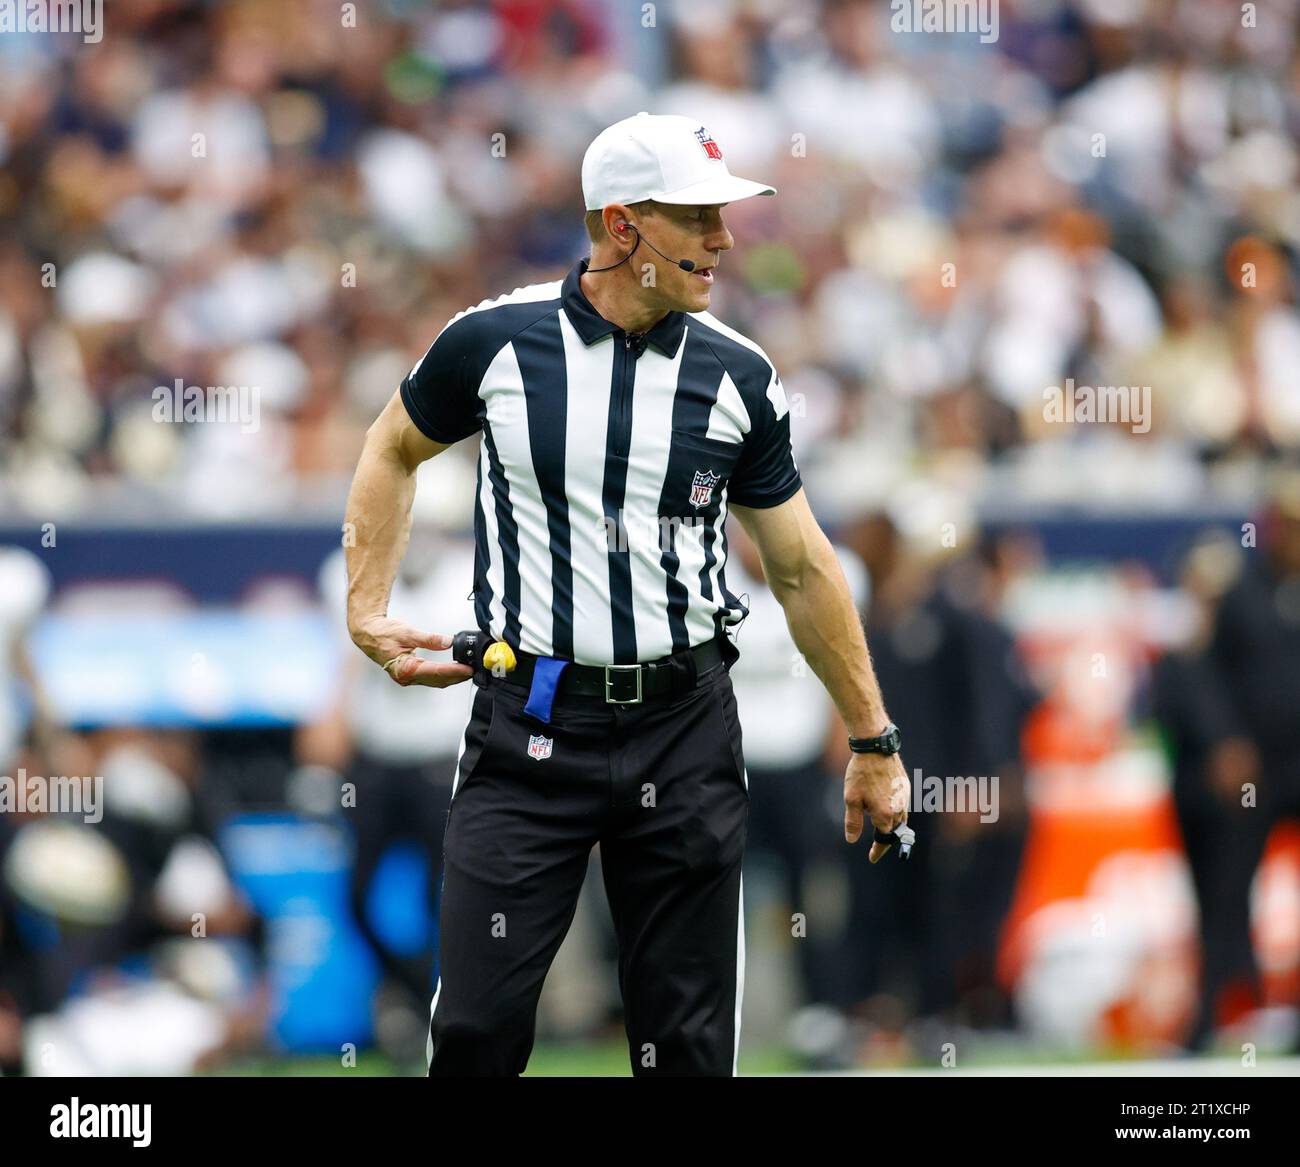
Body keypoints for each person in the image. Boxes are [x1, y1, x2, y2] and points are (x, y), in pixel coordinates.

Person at [342, 112, 912, 1077]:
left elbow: (804, 565)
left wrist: (872, 740)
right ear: (621, 225)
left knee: (685, 1050)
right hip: (528, 723)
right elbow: (391, 444)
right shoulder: (495, 342)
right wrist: (365, 606)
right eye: (696, 217)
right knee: (475, 1032)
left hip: (684, 728)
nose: (724, 240)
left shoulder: (740, 376)